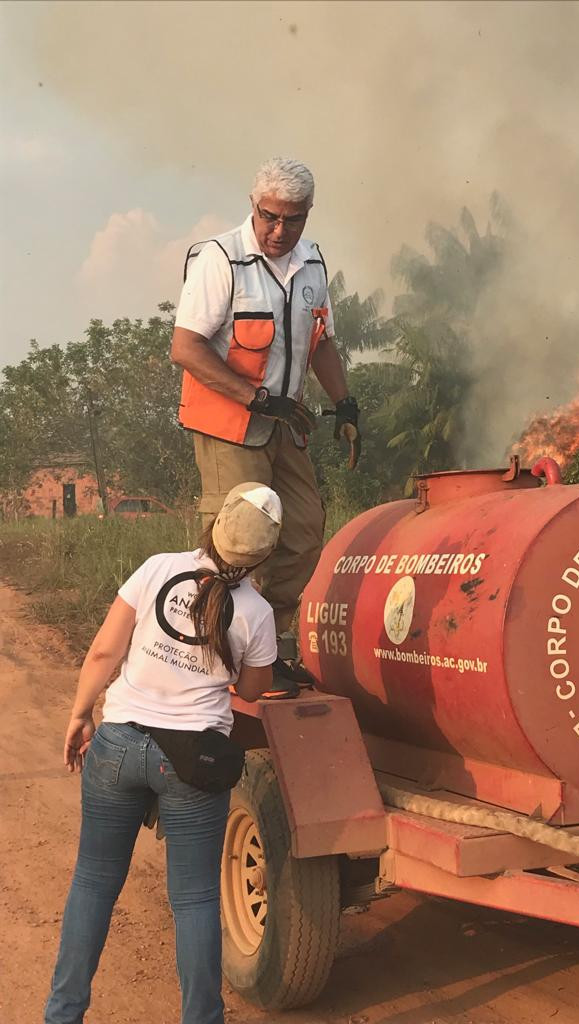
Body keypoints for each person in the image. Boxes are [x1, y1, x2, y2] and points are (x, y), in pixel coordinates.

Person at [44, 482, 283, 1024]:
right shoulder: (256, 611)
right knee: (195, 900)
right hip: (192, 764)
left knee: (93, 882)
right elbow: (252, 690)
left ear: (216, 523)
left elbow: (104, 652)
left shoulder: (157, 568)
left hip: (117, 746)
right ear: (265, 554)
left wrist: (81, 714)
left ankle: (62, 1015)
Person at [170, 156, 359, 670]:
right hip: (229, 424)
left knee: (303, 528)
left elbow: (322, 342)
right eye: (269, 216)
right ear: (253, 206)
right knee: (236, 539)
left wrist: (346, 404)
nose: (279, 230)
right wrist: (255, 398)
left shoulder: (312, 263)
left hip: (284, 424)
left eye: (292, 219)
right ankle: (207, 651)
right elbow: (186, 347)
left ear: (308, 213)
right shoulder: (221, 259)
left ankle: (263, 647)